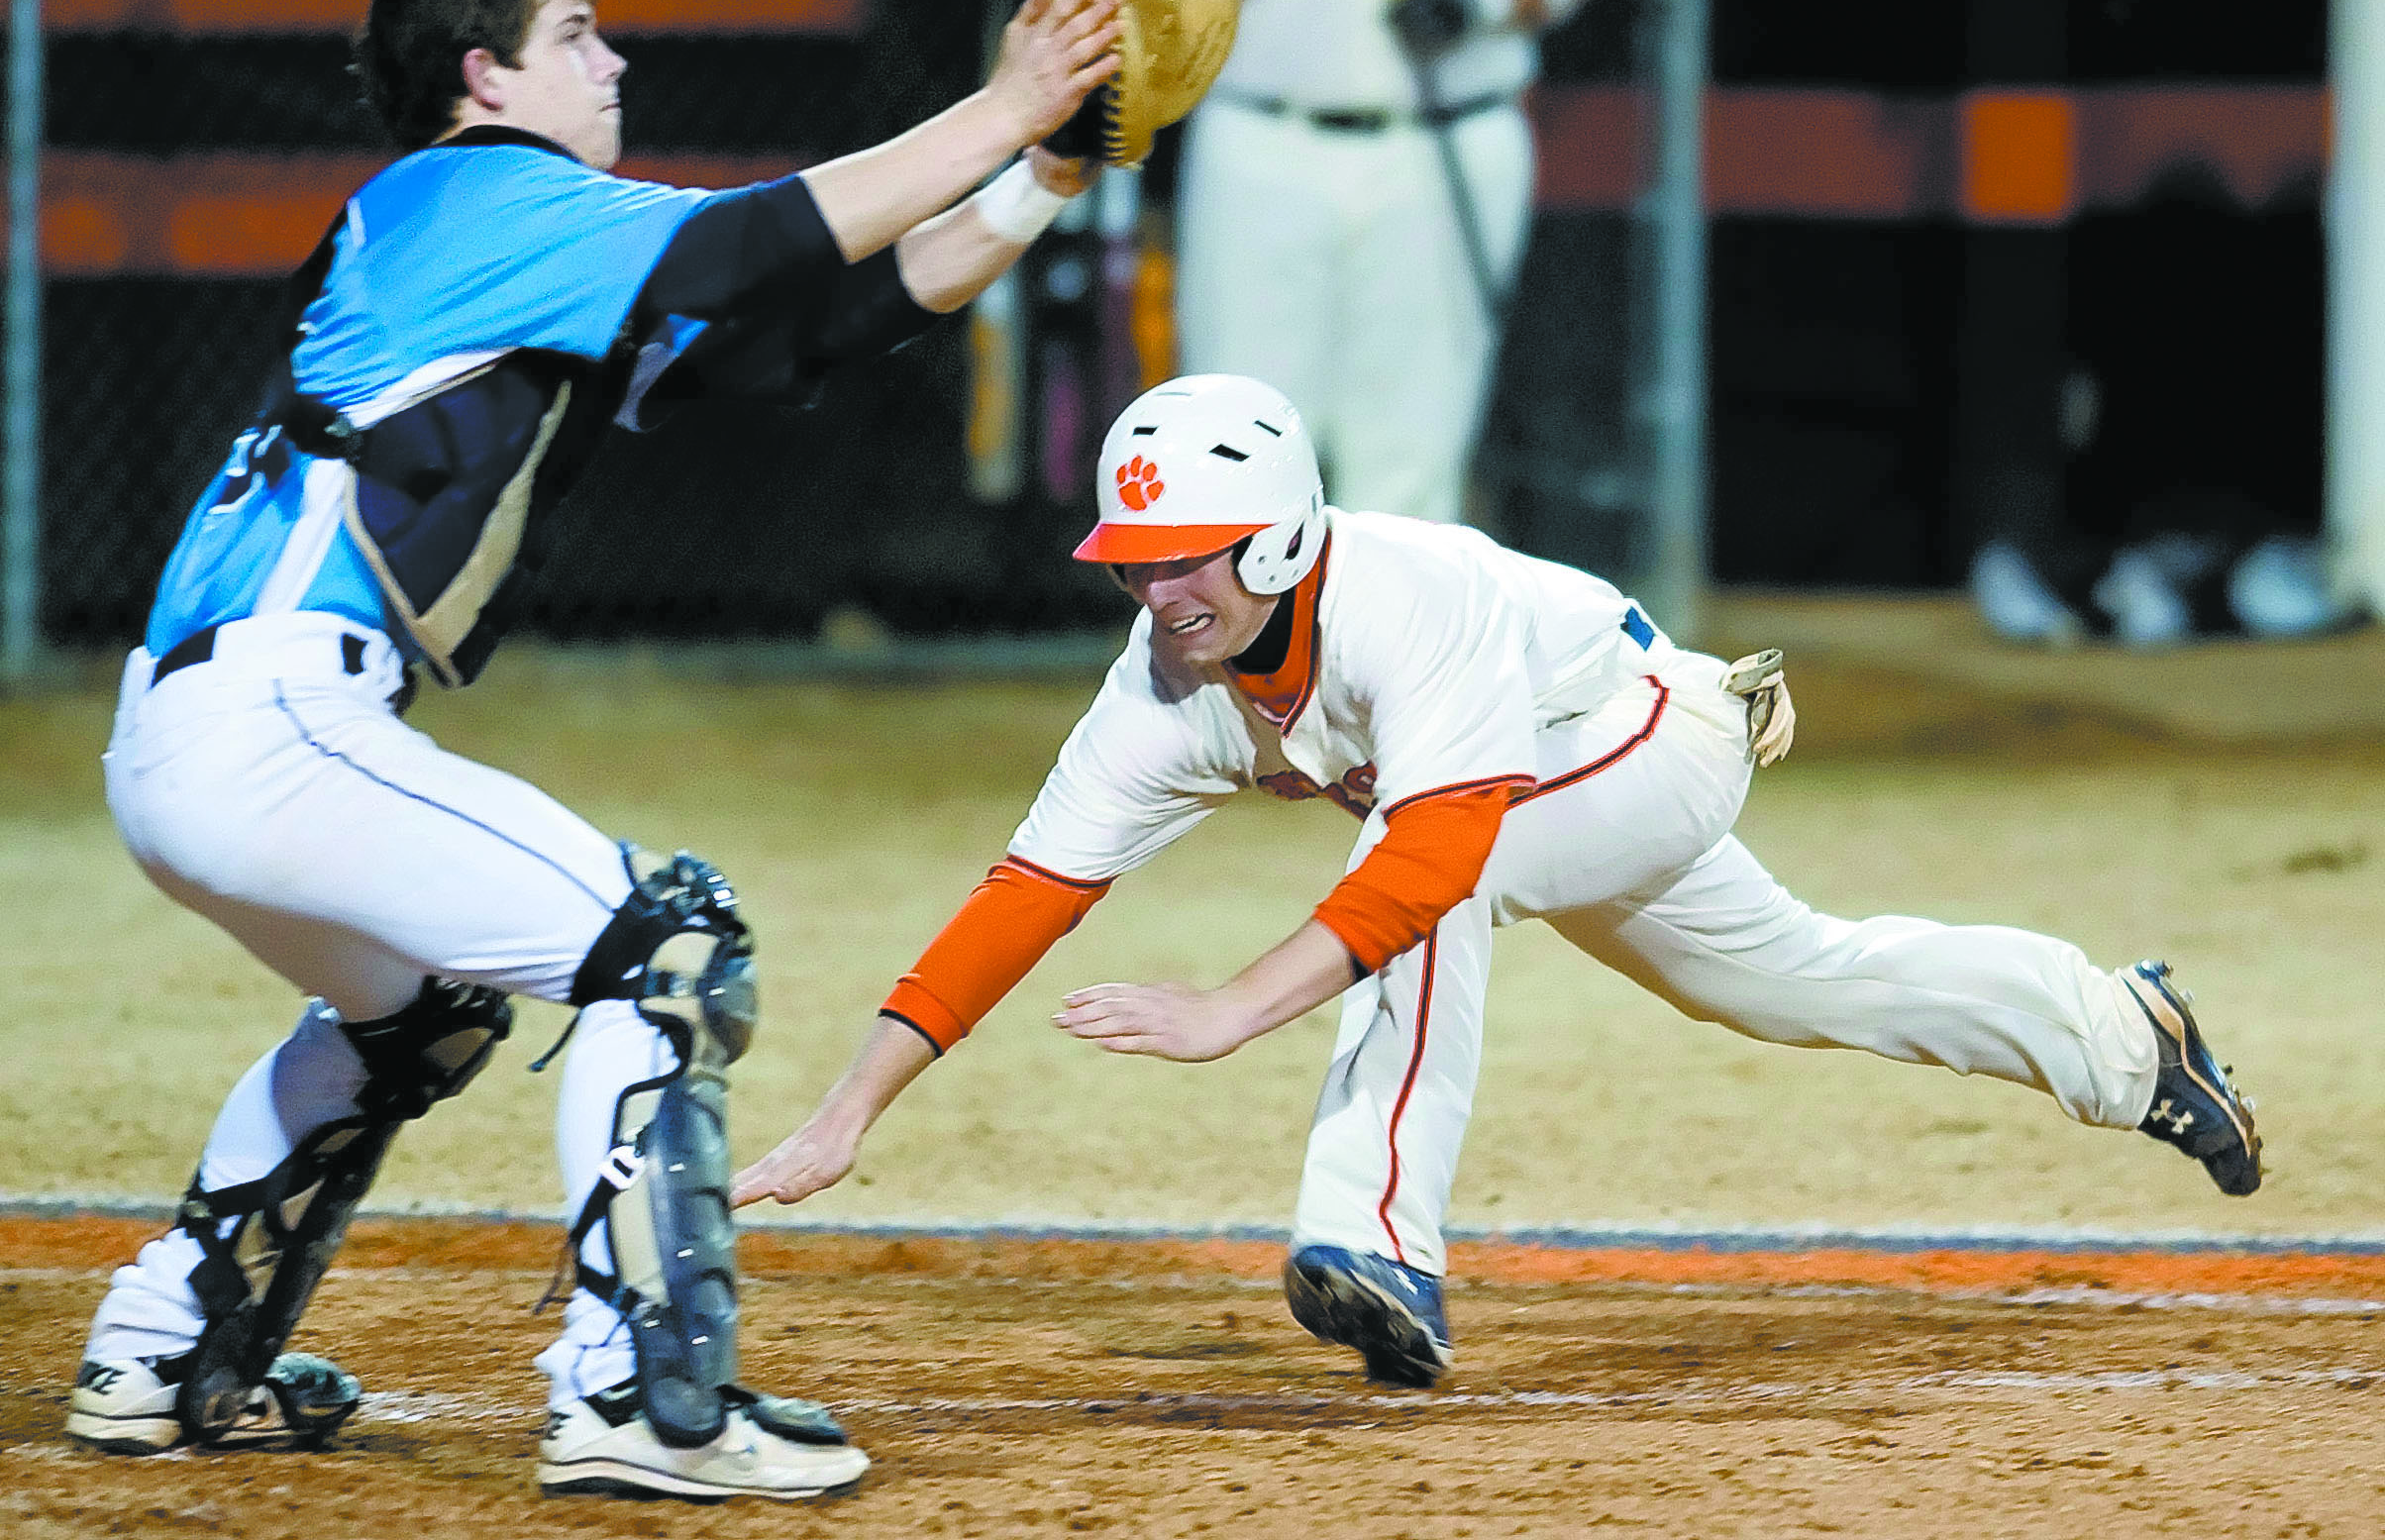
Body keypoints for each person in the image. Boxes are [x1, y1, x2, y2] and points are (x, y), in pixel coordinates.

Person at [64, 0, 1124, 1502]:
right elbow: (762, 244)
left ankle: (163, 1351)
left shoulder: (519, 249)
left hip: (205, 734)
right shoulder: (472, 194)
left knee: (420, 1011)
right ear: (482, 77)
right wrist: (1007, 104)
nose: (612, 60)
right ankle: (642, 1396)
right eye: (574, 36)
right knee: (669, 944)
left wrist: (1046, 175)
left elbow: (820, 324)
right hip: (275, 724)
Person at [735, 372, 2264, 1389]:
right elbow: (1028, 891)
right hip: (1551, 785)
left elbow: (1434, 860)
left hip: (1653, 738)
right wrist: (844, 1113)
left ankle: (1376, 1244)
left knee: (1431, 889)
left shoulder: (1415, 599)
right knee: (1798, 979)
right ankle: (2126, 1038)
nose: (1153, 584)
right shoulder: (1166, 682)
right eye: (1134, 553)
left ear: (1276, 538)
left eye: (1185, 551)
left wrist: (1228, 1012)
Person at [1130, 0, 1615, 522]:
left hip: (1444, 131)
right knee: (1236, 432)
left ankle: (1385, 625)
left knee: (1412, 444)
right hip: (1265, 139)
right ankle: (1243, 623)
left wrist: (1485, 5)